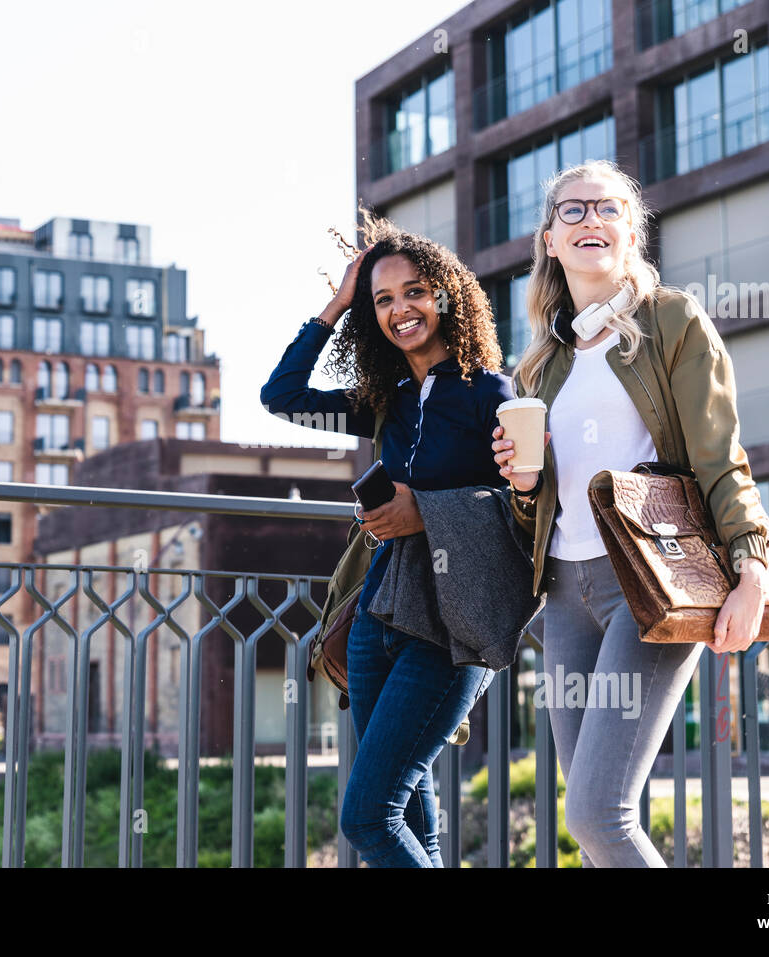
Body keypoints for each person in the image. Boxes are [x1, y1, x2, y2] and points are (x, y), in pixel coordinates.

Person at [491, 159, 769, 866]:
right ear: (549, 239)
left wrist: (752, 565)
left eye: (608, 208)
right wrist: (525, 482)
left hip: (647, 585)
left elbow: (718, 455)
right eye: (573, 211)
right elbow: (536, 508)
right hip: (563, 594)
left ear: (632, 231)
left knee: (596, 814)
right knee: (593, 823)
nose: (591, 221)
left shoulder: (671, 321)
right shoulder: (540, 365)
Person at [260, 210, 513, 866]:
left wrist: (425, 512)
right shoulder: (385, 399)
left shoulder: (494, 394)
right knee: (412, 811)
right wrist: (337, 303)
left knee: (368, 817)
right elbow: (282, 396)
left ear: (446, 294)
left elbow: (528, 508)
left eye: (413, 292)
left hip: (452, 625)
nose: (400, 309)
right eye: (382, 299)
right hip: (377, 616)